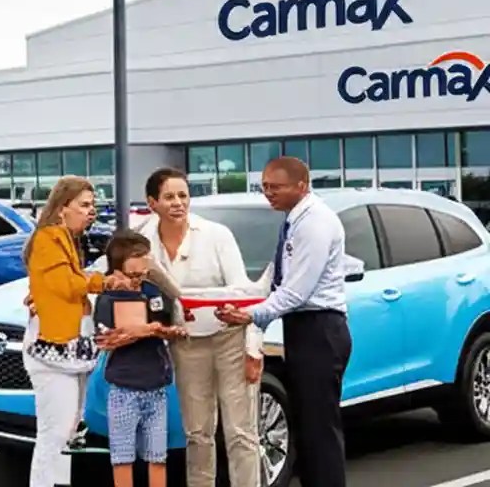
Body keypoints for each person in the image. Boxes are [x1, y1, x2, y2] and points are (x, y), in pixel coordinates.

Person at [217, 156, 352, 487]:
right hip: (302, 329)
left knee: (320, 427)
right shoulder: (295, 219)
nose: (268, 193)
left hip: (319, 328)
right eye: (264, 186)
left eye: (275, 187)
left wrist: (251, 314)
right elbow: (276, 280)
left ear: (301, 186)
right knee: (307, 424)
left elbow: (297, 291)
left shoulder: (316, 223)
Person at [139, 167, 264, 487]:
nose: (178, 203)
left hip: (230, 339)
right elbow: (113, 278)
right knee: (197, 433)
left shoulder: (216, 235)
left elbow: (247, 294)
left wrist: (254, 349)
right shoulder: (141, 240)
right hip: (186, 344)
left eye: (183, 195)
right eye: (169, 197)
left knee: (240, 432)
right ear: (152, 202)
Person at [22, 176, 133, 487]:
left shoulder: (64, 240)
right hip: (53, 350)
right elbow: (66, 286)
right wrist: (104, 281)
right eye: (84, 205)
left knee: (68, 432)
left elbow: (52, 287)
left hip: (69, 349)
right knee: (54, 434)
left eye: (92, 205)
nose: (91, 212)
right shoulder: (48, 239)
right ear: (62, 208)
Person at [93, 229, 188, 487]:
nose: (138, 281)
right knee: (122, 457)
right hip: (123, 388)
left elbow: (169, 326)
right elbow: (106, 339)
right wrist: (146, 330)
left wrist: (168, 331)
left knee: (158, 456)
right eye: (132, 275)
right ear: (115, 270)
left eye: (144, 273)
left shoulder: (154, 293)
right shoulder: (107, 299)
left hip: (156, 386)